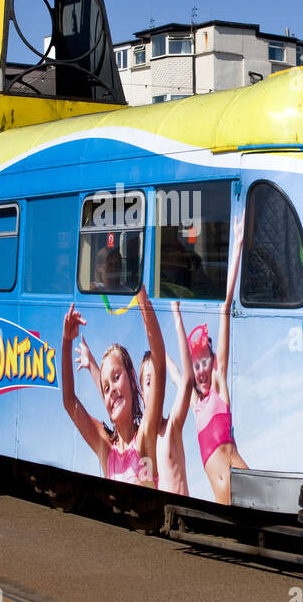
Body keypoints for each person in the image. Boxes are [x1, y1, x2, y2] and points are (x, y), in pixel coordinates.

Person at [75, 299, 195, 495]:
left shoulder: (170, 428)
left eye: (154, 381)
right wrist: (92, 366)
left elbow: (185, 380)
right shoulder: (142, 435)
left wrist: (175, 319)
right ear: (140, 390)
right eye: (147, 383)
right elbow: (112, 399)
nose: (153, 386)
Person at [61, 284, 166, 488]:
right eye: (106, 388)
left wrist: (143, 302)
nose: (112, 391)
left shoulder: (144, 438)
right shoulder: (106, 447)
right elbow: (69, 401)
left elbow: (159, 365)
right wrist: (66, 341)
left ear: (132, 379)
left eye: (117, 377)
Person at [182, 216, 248, 504]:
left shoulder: (220, 388)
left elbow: (225, 309)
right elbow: (175, 369)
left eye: (204, 362)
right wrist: (173, 316)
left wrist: (238, 246)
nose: (201, 370)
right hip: (222, 490)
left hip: (241, 477)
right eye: (195, 365)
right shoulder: (196, 405)